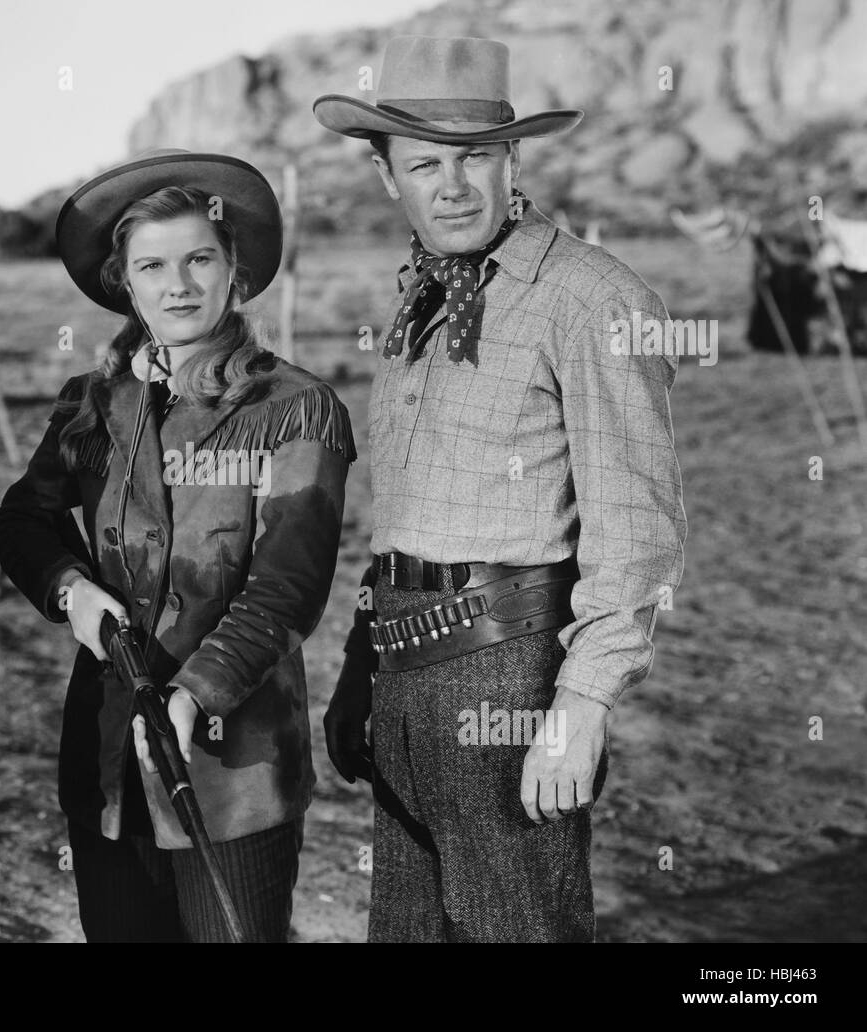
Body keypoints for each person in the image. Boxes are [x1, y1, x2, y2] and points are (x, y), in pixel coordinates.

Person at [314, 36, 687, 942]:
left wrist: (584, 704)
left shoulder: (592, 297)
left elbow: (634, 521)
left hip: (513, 673)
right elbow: (401, 517)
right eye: (425, 163)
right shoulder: (418, 301)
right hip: (403, 665)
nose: (453, 184)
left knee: (518, 929)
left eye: (475, 156)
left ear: (512, 156)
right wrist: (364, 668)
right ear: (384, 173)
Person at [0, 150, 355, 942]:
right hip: (106, 766)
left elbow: (288, 587)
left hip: (235, 775)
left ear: (235, 271)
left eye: (199, 259)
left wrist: (196, 698)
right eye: (152, 264)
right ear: (125, 281)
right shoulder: (93, 404)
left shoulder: (296, 410)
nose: (178, 284)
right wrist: (72, 593)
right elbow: (20, 520)